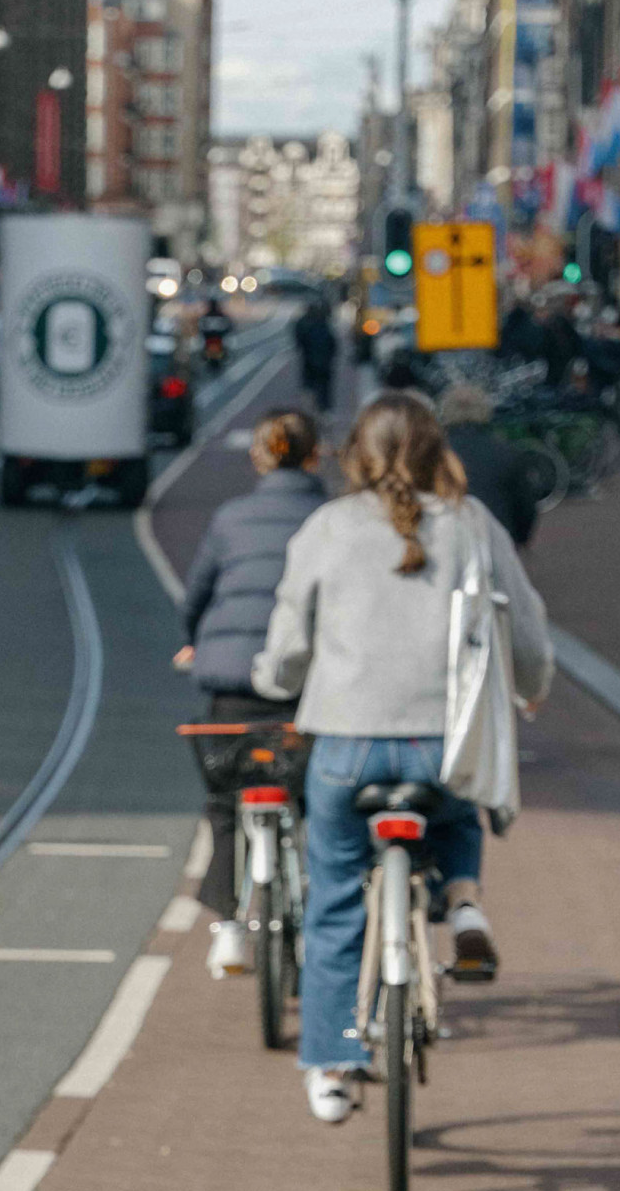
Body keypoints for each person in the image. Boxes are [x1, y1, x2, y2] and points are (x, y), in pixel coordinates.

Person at [252, 393, 553, 1123]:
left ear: (355, 455)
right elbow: (525, 629)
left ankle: (331, 1064)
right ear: (434, 449)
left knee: (332, 903)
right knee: (458, 806)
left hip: (346, 744)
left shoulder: (327, 527)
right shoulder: (472, 523)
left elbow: (289, 646)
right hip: (442, 744)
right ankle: (464, 902)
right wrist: (532, 690)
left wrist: (275, 681)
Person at [174, 411, 324, 978]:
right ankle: (319, 911)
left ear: (259, 458)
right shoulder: (330, 518)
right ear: (315, 456)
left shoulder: (231, 517)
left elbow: (197, 596)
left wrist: (196, 644)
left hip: (233, 683)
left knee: (224, 802)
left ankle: (228, 928)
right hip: (304, 688)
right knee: (319, 801)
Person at [436, 381, 537, 546]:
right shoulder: (506, 452)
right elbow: (525, 505)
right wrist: (519, 538)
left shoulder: (435, 454)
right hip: (496, 538)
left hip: (450, 539)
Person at [292, 301, 337, 413]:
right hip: (323, 361)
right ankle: (323, 408)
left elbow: (299, 340)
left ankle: (312, 408)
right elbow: (332, 342)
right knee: (323, 385)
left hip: (310, 360)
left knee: (311, 385)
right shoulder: (323, 324)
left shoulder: (304, 324)